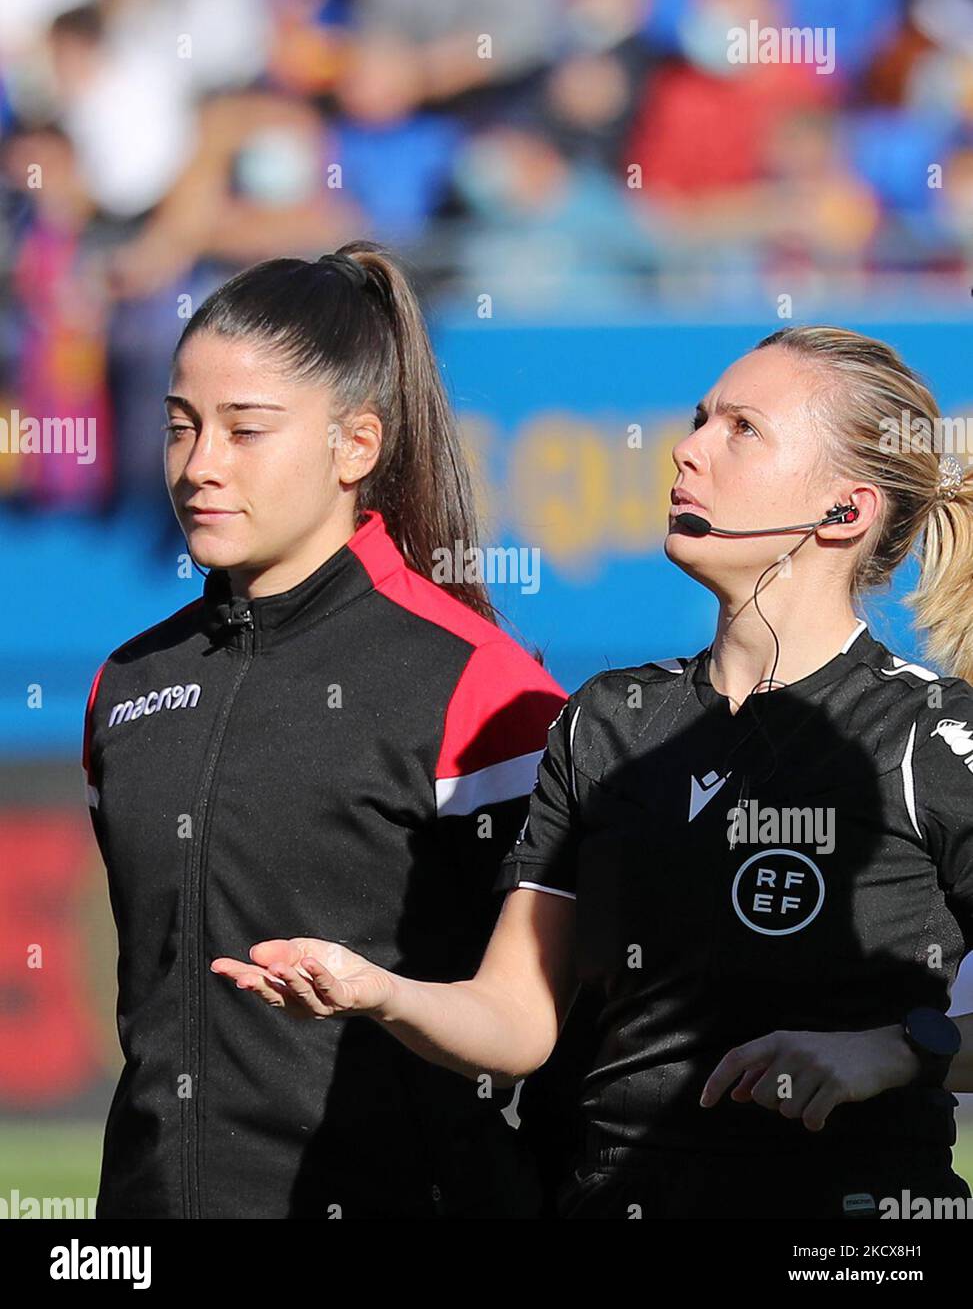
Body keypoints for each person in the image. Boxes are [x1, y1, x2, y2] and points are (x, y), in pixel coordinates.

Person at [219, 325, 973, 1219]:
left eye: (741, 429)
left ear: (843, 512)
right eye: (699, 420)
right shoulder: (607, 720)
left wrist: (896, 1050)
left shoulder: (927, 732)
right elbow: (517, 1021)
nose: (687, 449)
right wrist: (377, 992)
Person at [81, 239, 579, 1219]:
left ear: (356, 445)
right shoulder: (126, 682)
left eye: (245, 429)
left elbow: (543, 1022)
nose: (198, 465)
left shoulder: (482, 685)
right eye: (180, 426)